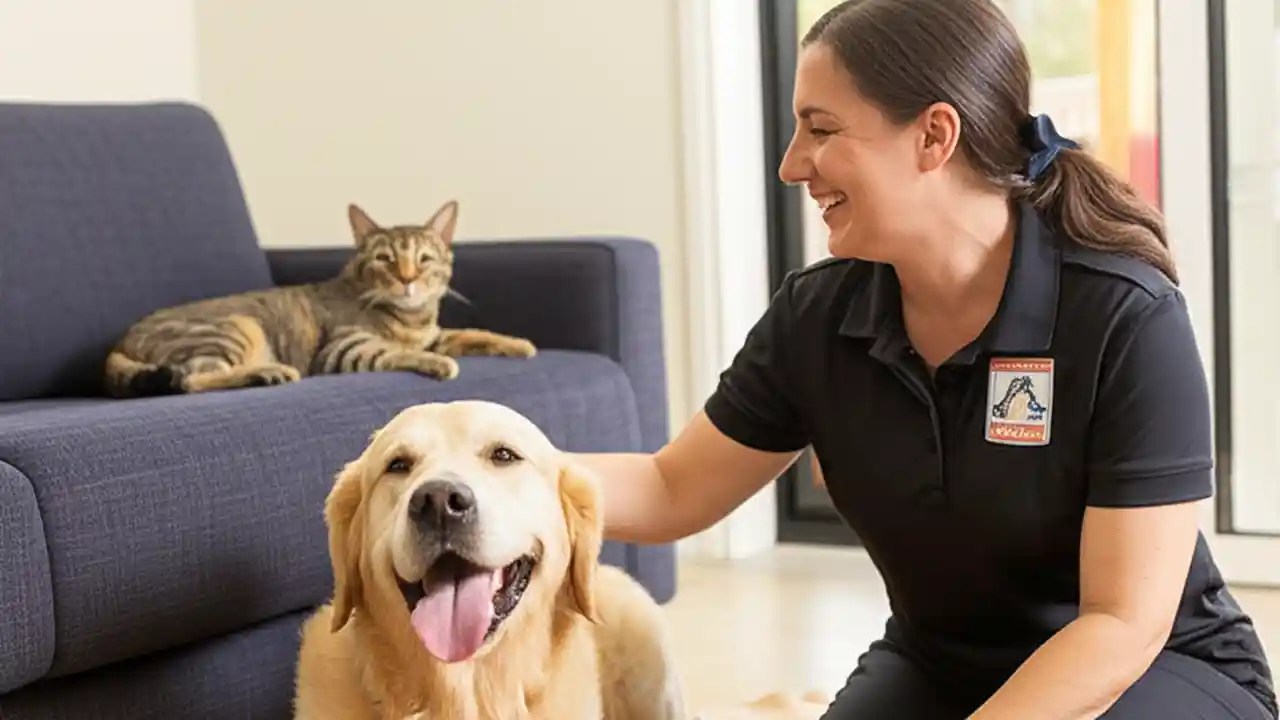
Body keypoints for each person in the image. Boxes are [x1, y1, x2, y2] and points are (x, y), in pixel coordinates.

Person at [572, 0, 1278, 718]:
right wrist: (488, 474)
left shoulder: (1125, 316)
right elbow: (671, 487)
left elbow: (1123, 624)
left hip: (1154, 671)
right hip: (943, 665)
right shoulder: (816, 316)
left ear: (934, 135)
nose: (791, 165)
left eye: (820, 129)